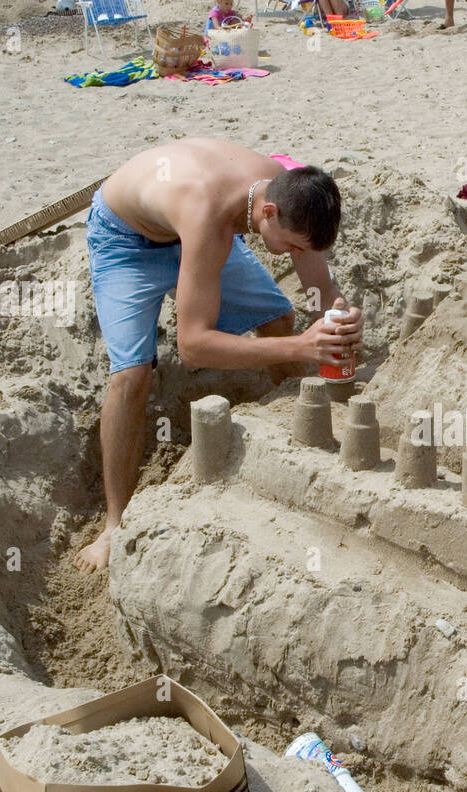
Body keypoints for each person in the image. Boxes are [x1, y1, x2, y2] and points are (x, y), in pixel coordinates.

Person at [75, 139, 362, 573]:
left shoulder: (286, 193)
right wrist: (303, 347)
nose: (296, 256)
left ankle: (296, 417)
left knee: (278, 318)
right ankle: (114, 522)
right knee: (132, 376)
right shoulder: (208, 215)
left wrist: (338, 312)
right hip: (127, 240)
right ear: (268, 214)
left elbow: (318, 282)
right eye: (293, 246)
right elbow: (193, 346)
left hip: (192, 231)